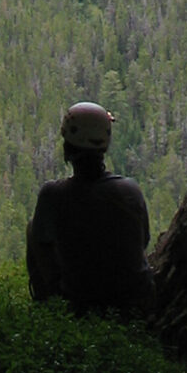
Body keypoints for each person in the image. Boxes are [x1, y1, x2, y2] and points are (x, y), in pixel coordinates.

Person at [26, 102, 155, 316]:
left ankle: (48, 308)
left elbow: (43, 243)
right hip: (135, 304)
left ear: (68, 144)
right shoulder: (130, 190)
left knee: (34, 229)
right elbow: (144, 241)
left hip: (81, 305)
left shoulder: (53, 195)